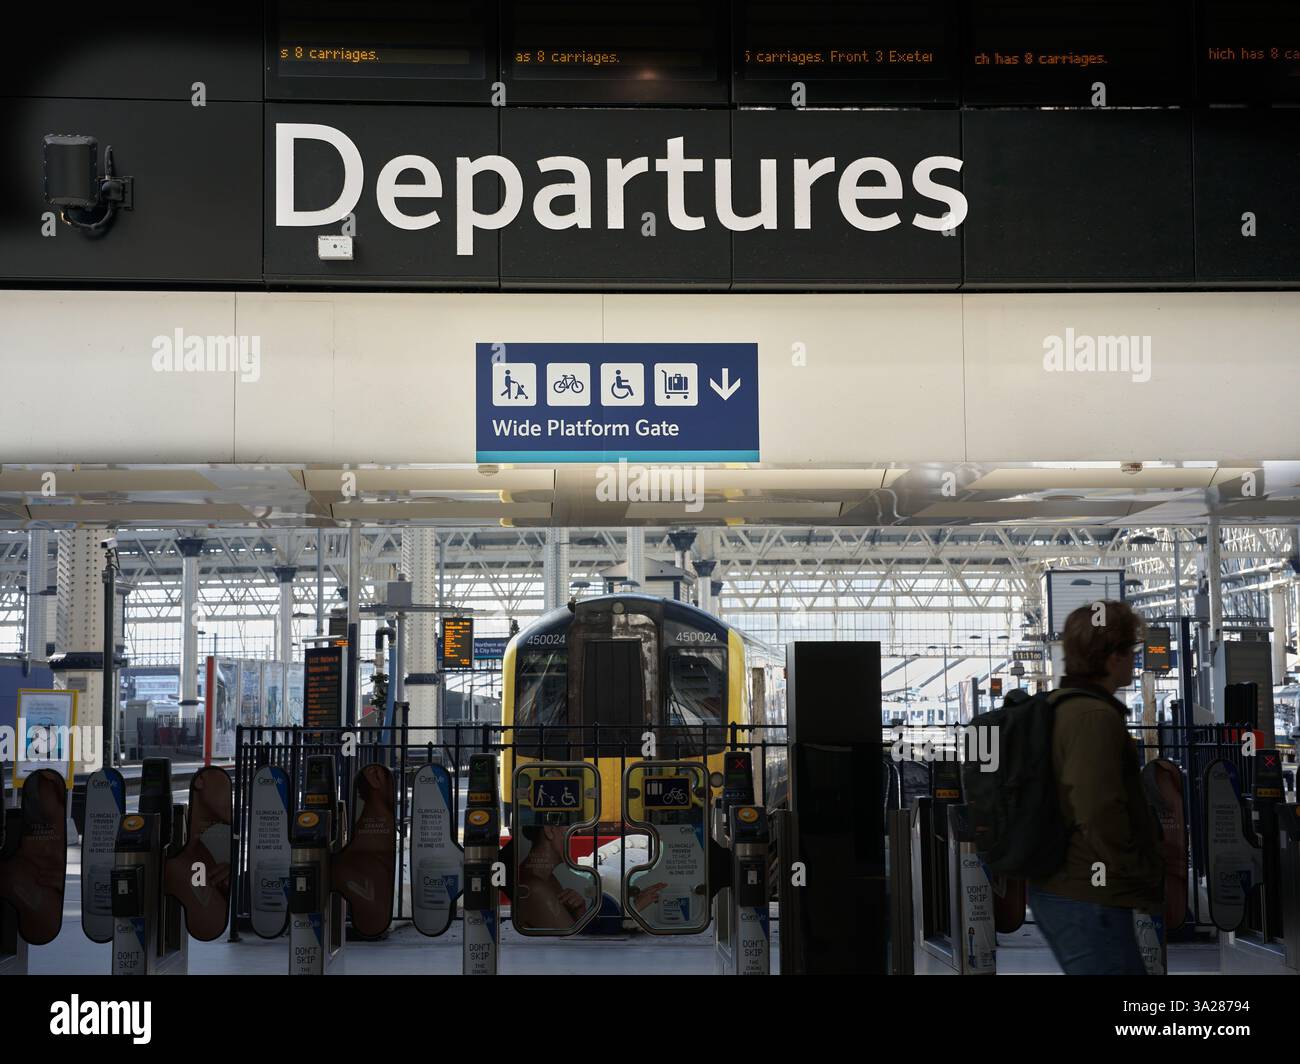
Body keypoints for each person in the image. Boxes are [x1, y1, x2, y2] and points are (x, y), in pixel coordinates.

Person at [1028, 599, 1164, 975]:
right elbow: (1097, 809)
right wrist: (1136, 870)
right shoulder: (1093, 717)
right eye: (1129, 651)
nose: (1134, 660)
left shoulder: (1062, 706)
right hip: (1088, 894)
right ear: (1110, 657)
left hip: (1069, 888)